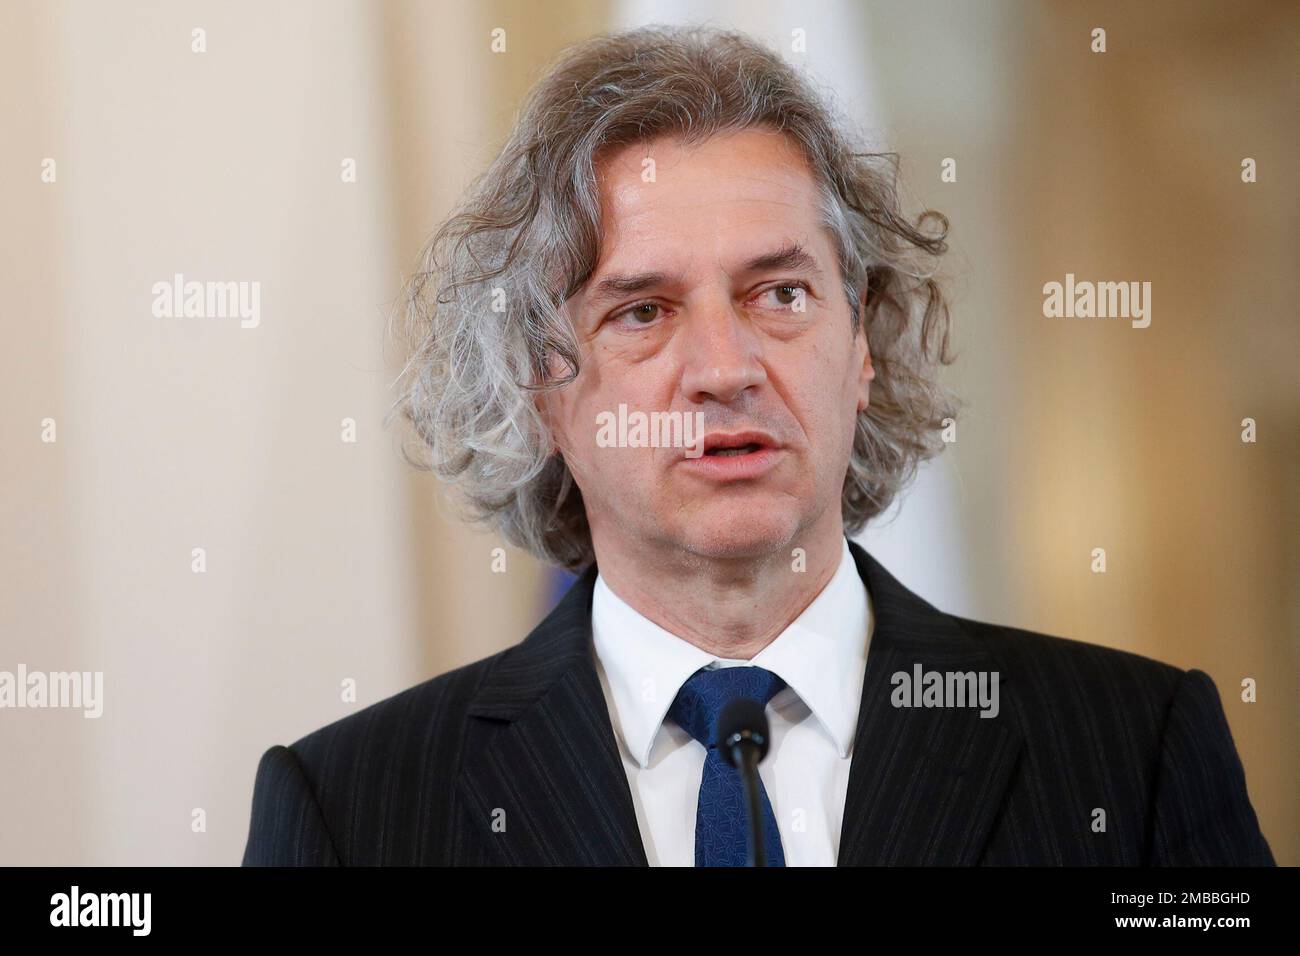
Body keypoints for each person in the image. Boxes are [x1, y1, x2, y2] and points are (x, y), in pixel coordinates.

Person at [242, 24, 1273, 866]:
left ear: (861, 341)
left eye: (778, 293)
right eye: (641, 311)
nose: (725, 365)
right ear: (540, 384)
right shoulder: (351, 808)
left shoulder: (1134, 751)